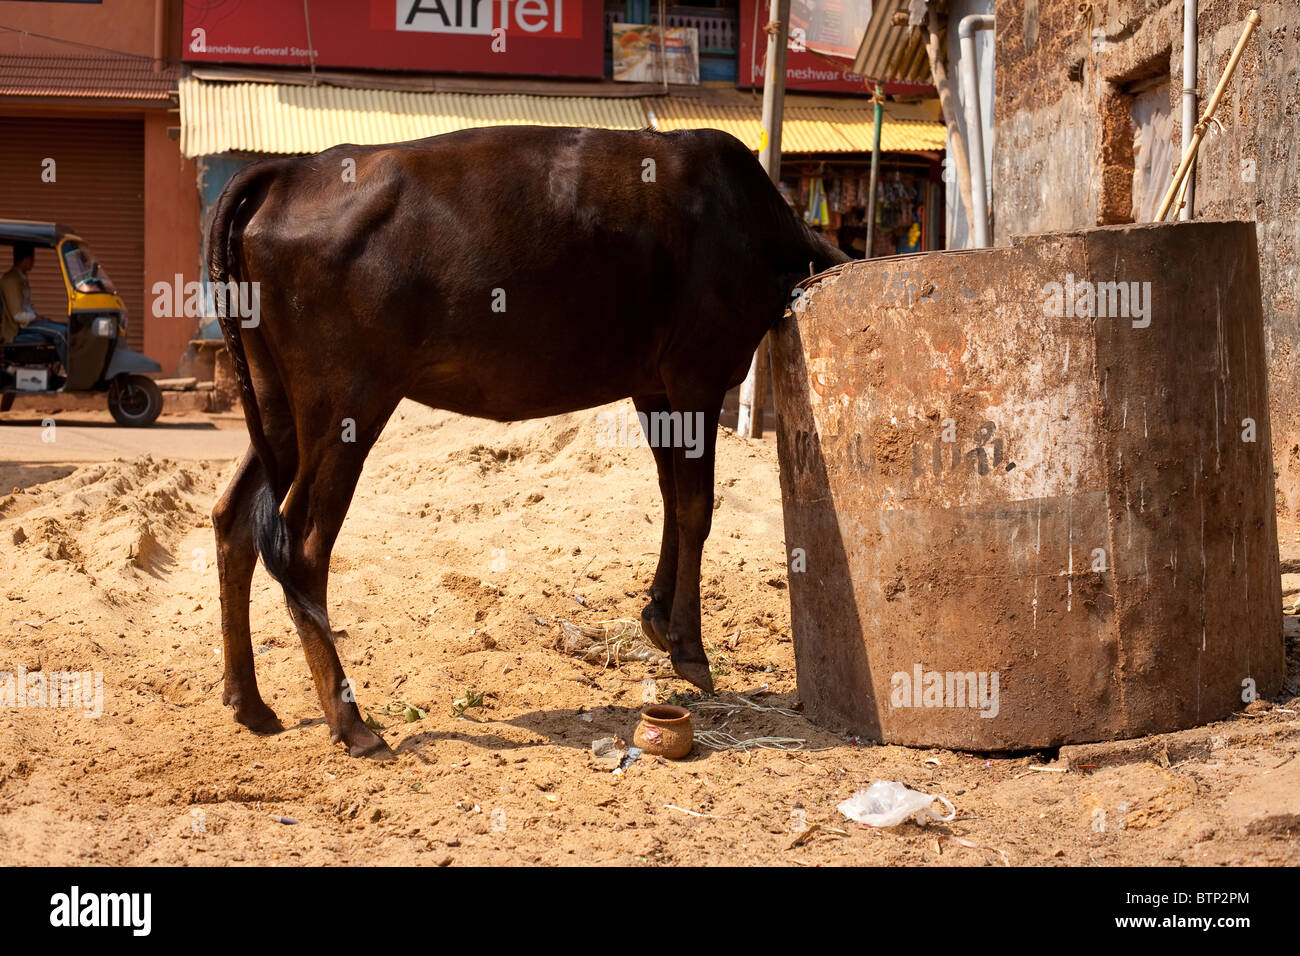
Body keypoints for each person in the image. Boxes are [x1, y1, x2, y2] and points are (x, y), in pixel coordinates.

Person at [1, 242, 68, 367]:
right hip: (17, 330)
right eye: (33, 259)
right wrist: (37, 318)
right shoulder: (11, 280)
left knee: (66, 326)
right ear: (27, 259)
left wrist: (40, 318)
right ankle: (72, 375)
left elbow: (26, 307)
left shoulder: (21, 278)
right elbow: (18, 316)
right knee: (61, 333)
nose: (33, 263)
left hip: (28, 323)